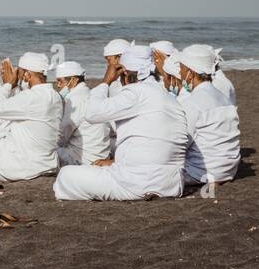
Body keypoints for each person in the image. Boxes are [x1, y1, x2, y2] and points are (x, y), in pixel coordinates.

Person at [53, 45, 188, 201]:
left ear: (125, 72)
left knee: (65, 175)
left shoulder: (135, 92)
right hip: (173, 184)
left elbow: (92, 113)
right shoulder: (168, 96)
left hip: (136, 183)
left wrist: (106, 81)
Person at [0, 52, 61, 183]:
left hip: (25, 164)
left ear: (27, 75)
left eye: (20, 72)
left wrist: (8, 84)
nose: (17, 76)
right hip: (46, 161)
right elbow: (20, 102)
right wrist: (14, 86)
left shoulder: (31, 98)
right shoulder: (55, 96)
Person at [176, 44, 241, 187]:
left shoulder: (193, 102)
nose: (180, 75)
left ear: (190, 72)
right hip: (229, 170)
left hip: (202, 171)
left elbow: (182, 143)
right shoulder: (223, 98)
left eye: (181, 69)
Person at [54, 61, 112, 165]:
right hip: (99, 153)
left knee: (44, 149)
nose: (58, 86)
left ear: (74, 80)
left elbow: (62, 134)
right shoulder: (89, 93)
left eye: (60, 81)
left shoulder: (76, 98)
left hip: (84, 159)